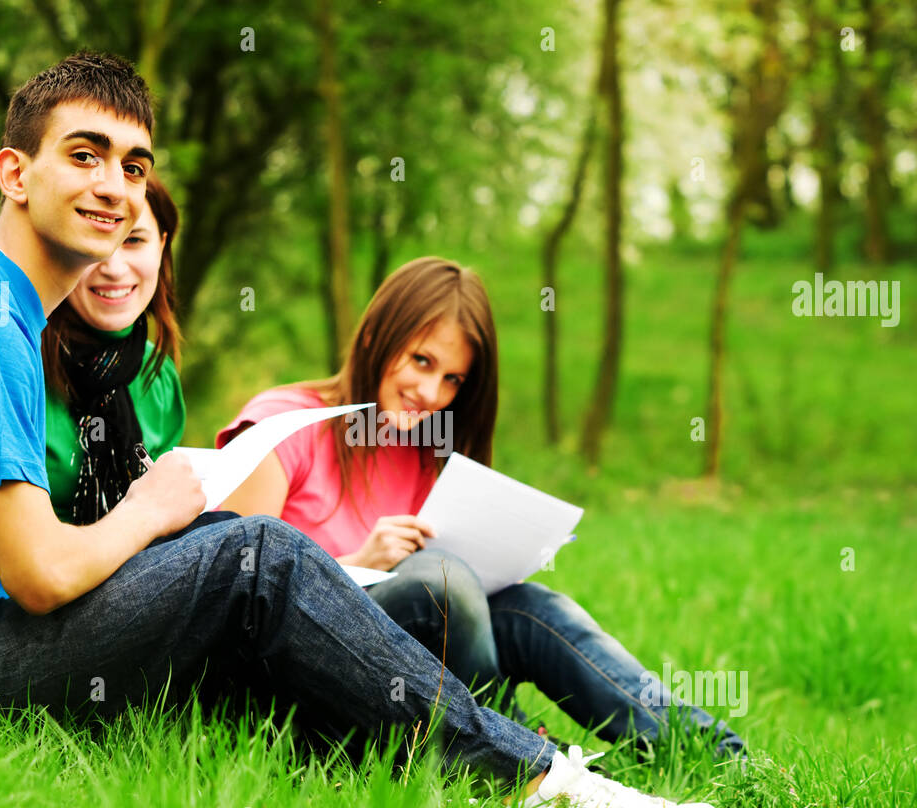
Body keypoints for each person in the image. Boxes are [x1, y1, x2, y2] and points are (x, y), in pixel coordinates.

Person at [0, 51, 724, 808]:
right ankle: (547, 786)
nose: (113, 185)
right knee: (252, 555)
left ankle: (505, 764)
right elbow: (38, 574)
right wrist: (157, 509)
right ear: (16, 173)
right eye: (86, 154)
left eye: (133, 166)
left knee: (241, 590)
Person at [217, 256, 747, 760]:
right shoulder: (284, 423)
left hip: (401, 687)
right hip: (291, 696)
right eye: (422, 361)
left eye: (453, 379)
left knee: (530, 609)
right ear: (377, 336)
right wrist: (358, 565)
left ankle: (716, 755)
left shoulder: (427, 449)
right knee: (438, 581)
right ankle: (526, 758)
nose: (431, 392)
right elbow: (231, 608)